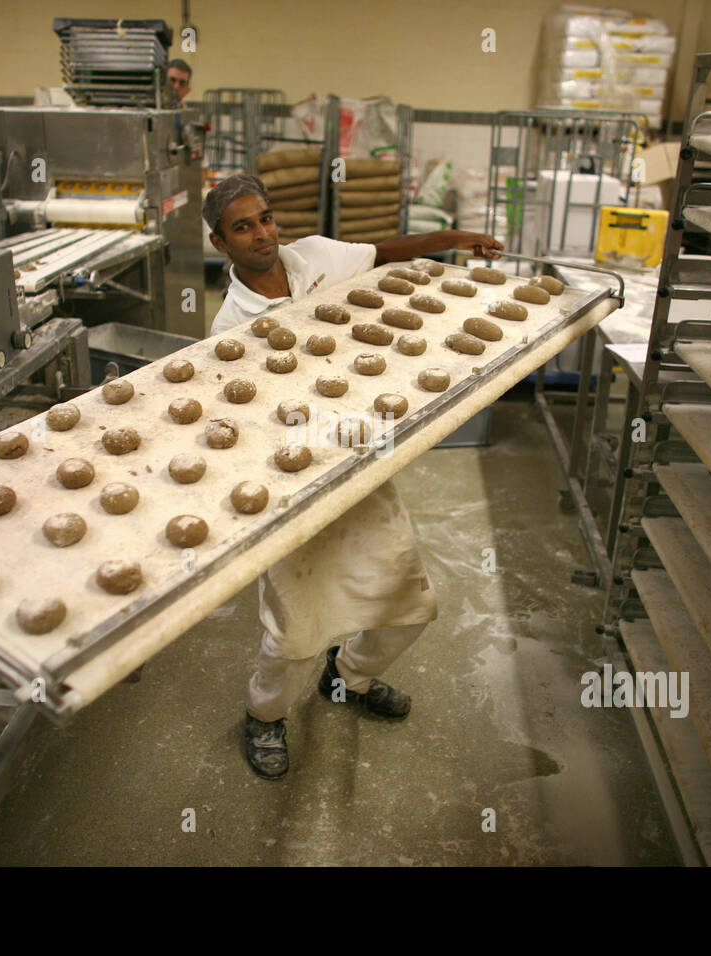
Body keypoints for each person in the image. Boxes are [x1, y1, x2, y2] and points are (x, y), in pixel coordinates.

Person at [202, 172, 503, 779]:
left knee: (406, 595)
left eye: (265, 218)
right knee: (295, 628)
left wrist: (461, 236)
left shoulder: (313, 256)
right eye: (243, 226)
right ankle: (264, 716)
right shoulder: (229, 326)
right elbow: (239, 422)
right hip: (290, 478)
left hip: (357, 455)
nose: (262, 233)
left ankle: (348, 679)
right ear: (219, 242)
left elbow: (388, 251)